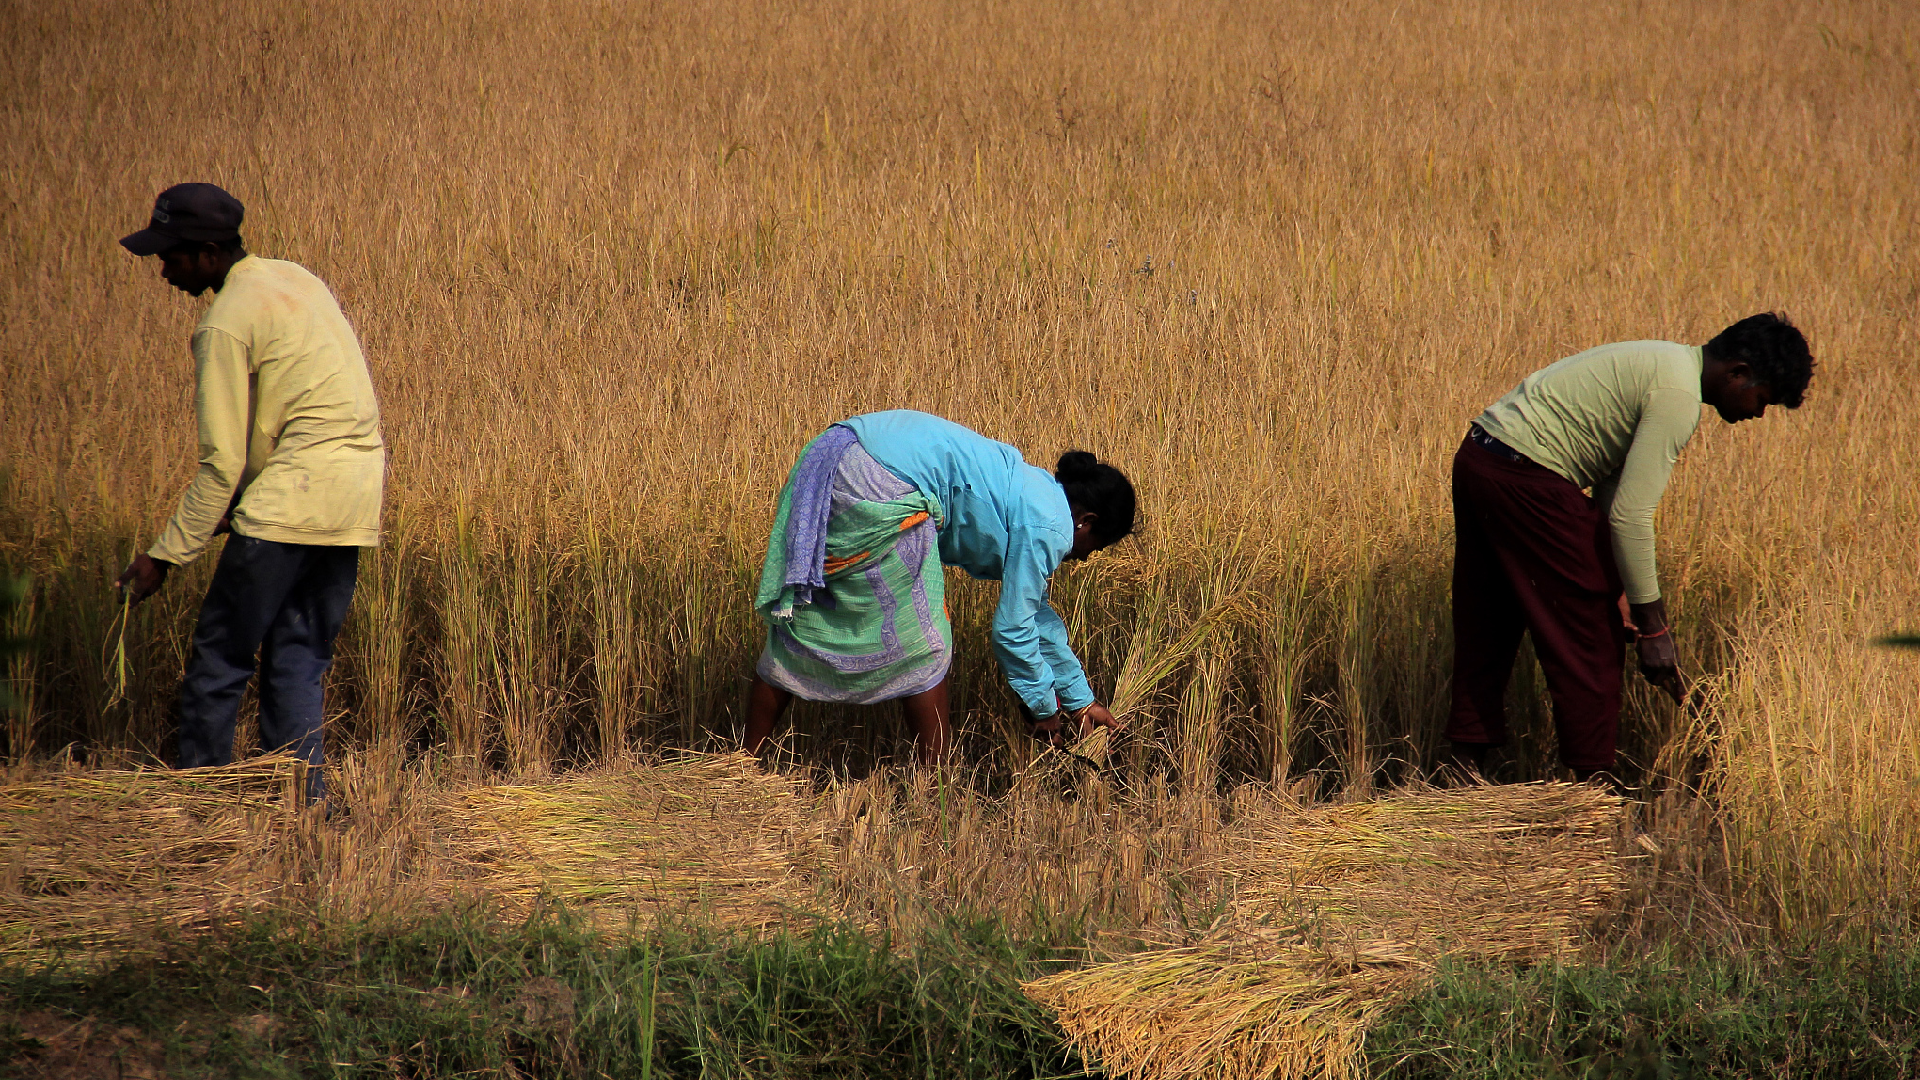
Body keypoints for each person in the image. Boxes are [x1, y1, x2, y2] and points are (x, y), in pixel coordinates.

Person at [1446, 314, 1813, 783]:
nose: (1758, 414)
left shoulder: (1663, 360)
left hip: (1481, 458)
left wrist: (1620, 589)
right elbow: (1631, 516)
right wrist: (1654, 629)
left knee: (1488, 617)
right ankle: (1591, 788)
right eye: (1762, 400)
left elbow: (1609, 495)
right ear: (1737, 372)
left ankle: (1462, 771)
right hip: (1531, 480)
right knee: (1588, 637)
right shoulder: (1678, 398)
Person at [113, 183, 385, 804]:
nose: (164, 271)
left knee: (220, 659)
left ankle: (203, 805)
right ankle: (300, 802)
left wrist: (163, 556)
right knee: (299, 657)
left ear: (209, 254)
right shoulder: (295, 280)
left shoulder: (223, 324)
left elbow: (221, 463)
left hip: (289, 502)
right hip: (353, 502)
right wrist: (226, 511)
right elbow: (290, 416)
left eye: (173, 257)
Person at [743, 410, 1136, 765]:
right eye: (1094, 548)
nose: (1083, 558)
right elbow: (1013, 630)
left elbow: (1033, 614)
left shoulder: (1038, 492)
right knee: (925, 642)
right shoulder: (1051, 527)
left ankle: (744, 763)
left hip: (833, 455)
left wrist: (1080, 701)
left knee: (807, 620)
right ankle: (937, 791)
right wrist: (1042, 710)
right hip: (880, 480)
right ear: (1086, 521)